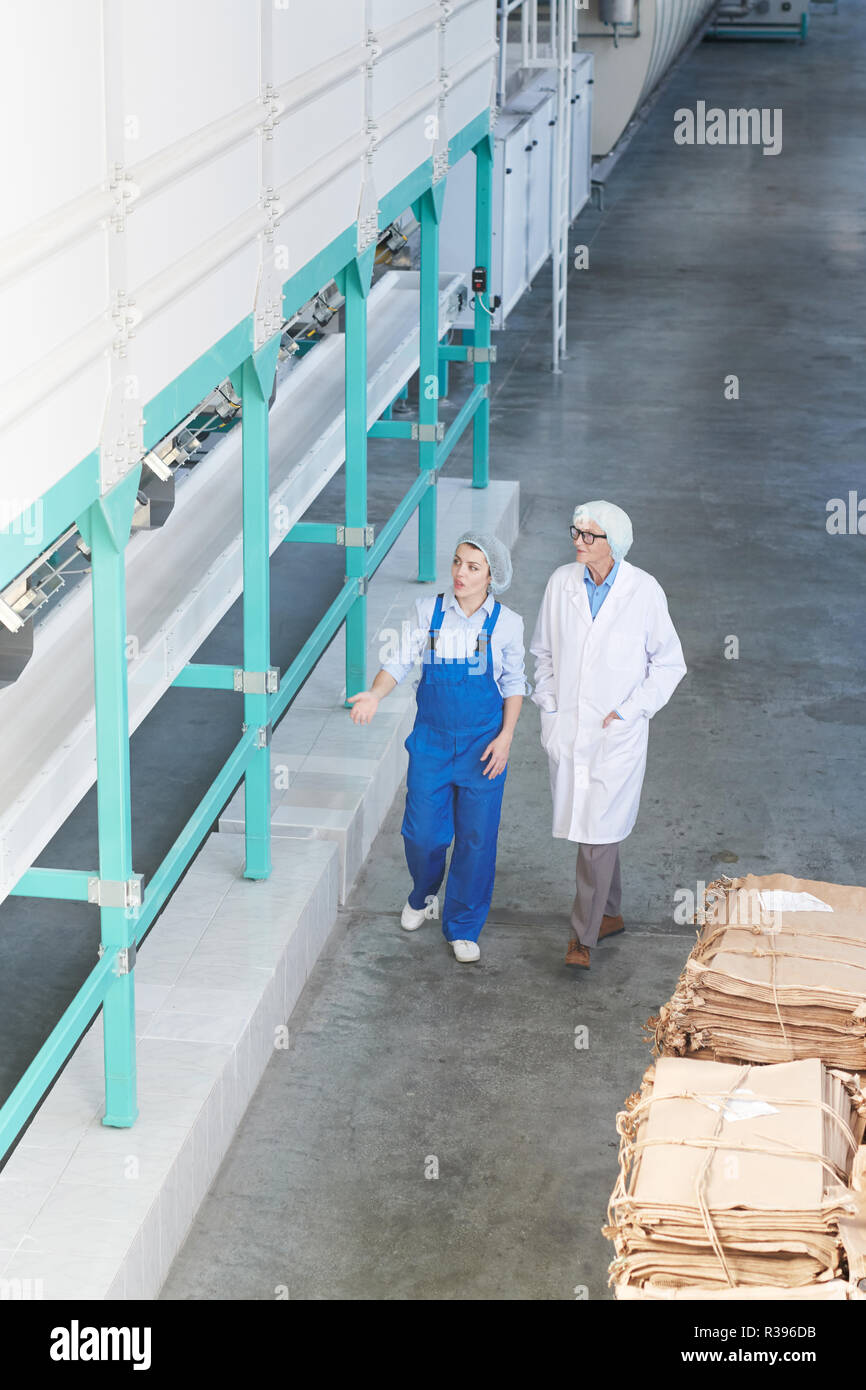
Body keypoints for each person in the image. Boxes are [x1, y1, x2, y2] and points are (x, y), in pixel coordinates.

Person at [348, 533, 526, 962]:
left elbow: (514, 684)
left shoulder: (506, 623)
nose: (460, 573)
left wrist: (505, 738)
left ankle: (463, 925)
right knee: (423, 834)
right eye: (457, 562)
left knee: (476, 839)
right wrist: (375, 693)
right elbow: (400, 661)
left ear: (492, 577)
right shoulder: (429, 612)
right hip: (430, 743)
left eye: (473, 567)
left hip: (484, 747)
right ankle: (424, 892)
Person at [530, 501, 686, 969]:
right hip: (570, 728)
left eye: (588, 535)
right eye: (575, 532)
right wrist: (550, 703)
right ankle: (611, 912)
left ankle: (583, 938)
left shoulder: (643, 592)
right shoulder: (561, 584)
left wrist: (631, 711)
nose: (578, 541)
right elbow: (543, 653)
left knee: (596, 836)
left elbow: (669, 662)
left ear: (612, 543)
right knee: (600, 828)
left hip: (616, 733)